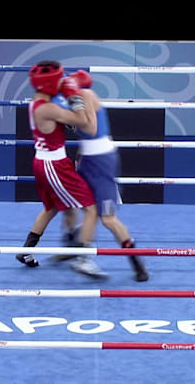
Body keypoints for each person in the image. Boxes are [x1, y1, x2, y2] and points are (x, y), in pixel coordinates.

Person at [55, 70, 149, 282]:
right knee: (75, 204)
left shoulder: (86, 95)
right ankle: (76, 248)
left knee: (107, 218)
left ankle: (136, 262)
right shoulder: (74, 99)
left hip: (101, 161)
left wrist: (69, 110)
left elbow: (91, 128)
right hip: (87, 159)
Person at [16, 60, 107, 279]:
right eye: (58, 80)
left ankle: (26, 251)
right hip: (55, 166)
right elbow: (83, 121)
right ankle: (84, 260)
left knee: (51, 208)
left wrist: (65, 95)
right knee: (91, 209)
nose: (61, 83)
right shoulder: (48, 108)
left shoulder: (37, 102)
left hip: (42, 161)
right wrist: (73, 94)